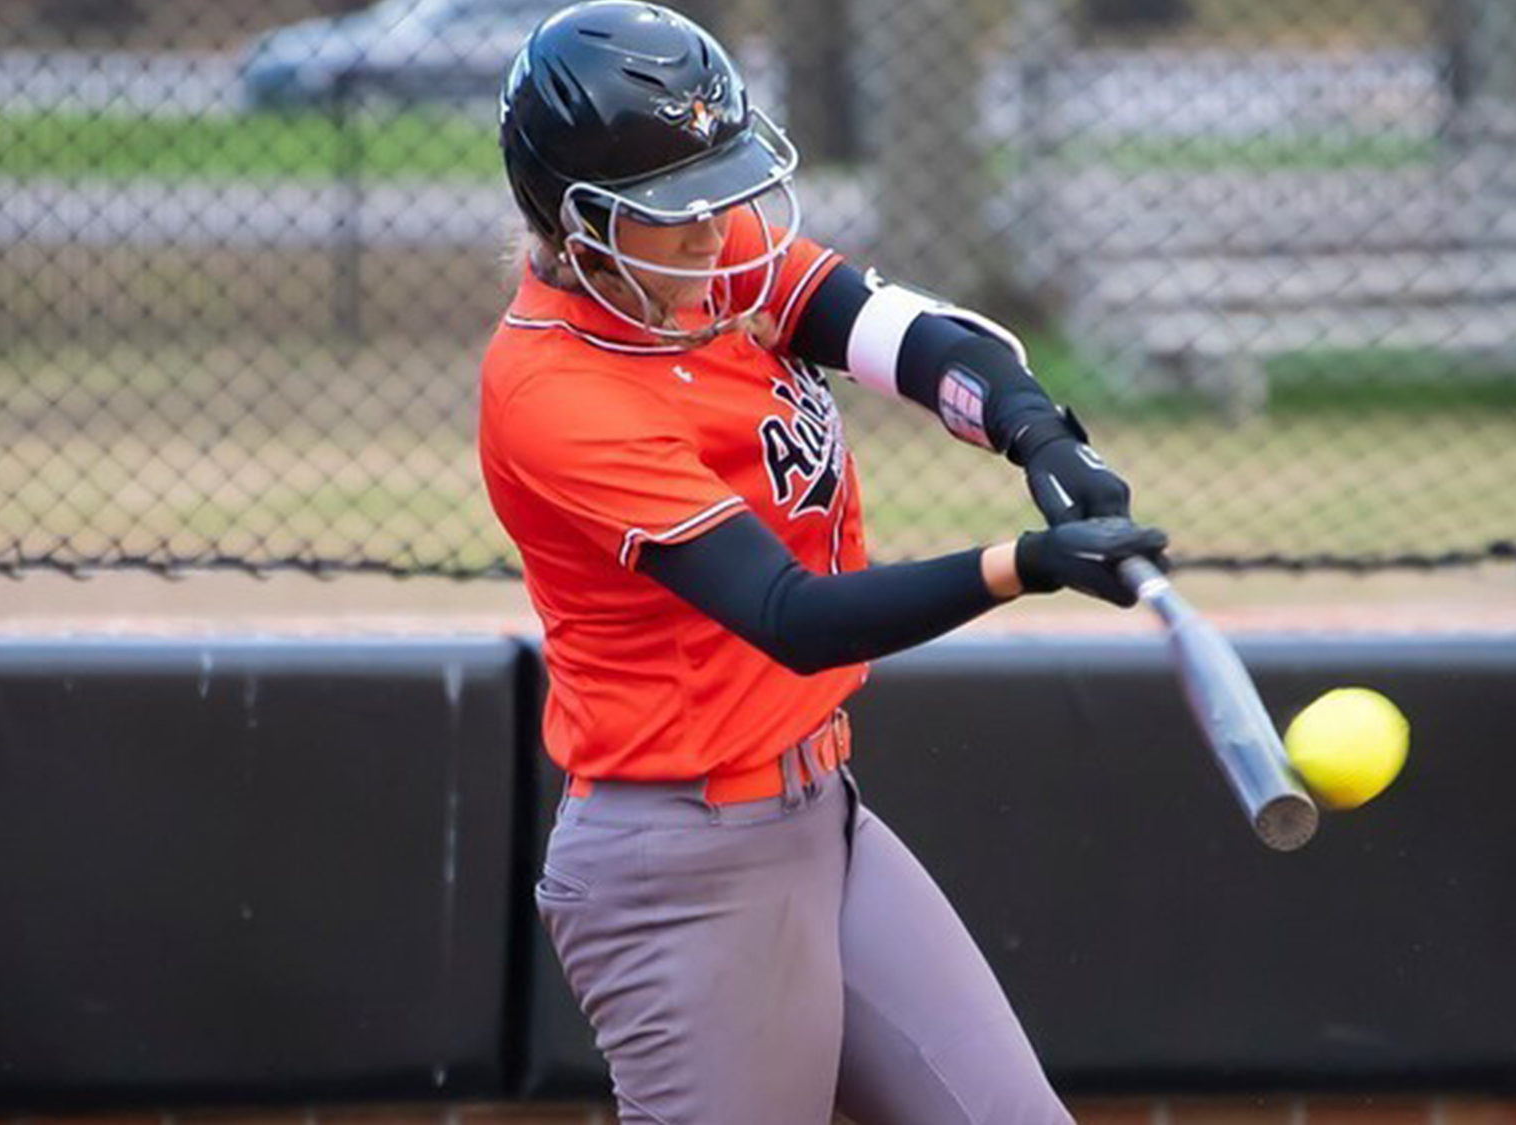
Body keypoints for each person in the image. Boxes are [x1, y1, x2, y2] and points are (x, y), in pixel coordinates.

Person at [477, 3, 1168, 1122]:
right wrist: (1024, 563)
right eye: (672, 210)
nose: (715, 232)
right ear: (581, 221)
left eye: (716, 192)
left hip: (821, 813)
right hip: (680, 868)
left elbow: (902, 335)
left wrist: (1039, 437)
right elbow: (789, 616)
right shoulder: (552, 394)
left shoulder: (702, 264)